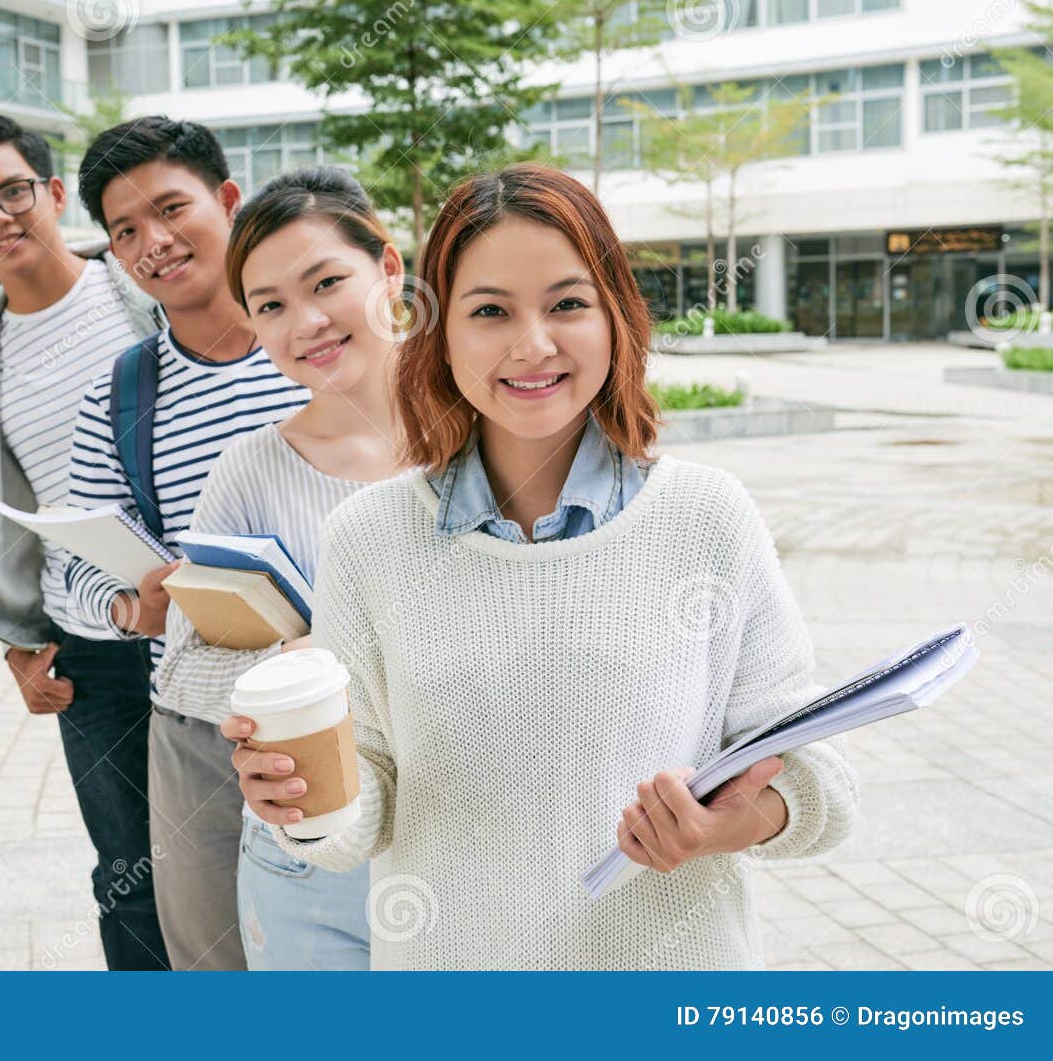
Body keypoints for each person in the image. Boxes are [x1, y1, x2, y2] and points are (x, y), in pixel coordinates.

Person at [223, 163, 859, 969]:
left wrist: (732, 824)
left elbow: (818, 775)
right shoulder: (368, 539)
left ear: (616, 316)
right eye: (490, 311)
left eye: (567, 304)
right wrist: (304, 802)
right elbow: (366, 807)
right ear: (440, 332)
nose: (533, 345)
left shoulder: (709, 517)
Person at [64, 117, 310, 970]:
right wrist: (130, 608)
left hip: (354, 702)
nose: (154, 244)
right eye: (126, 231)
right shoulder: (120, 396)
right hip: (201, 730)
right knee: (212, 965)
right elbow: (74, 568)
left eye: (172, 210)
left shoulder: (320, 350)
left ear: (228, 200)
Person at [152, 167, 404, 970]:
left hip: (469, 842)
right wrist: (293, 664)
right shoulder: (249, 470)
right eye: (270, 306)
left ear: (388, 269)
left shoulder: (491, 437)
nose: (307, 323)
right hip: (307, 855)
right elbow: (179, 671)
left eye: (326, 282)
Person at [0, 114, 168, 970]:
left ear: (56, 194)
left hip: (202, 617)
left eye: (12, 193)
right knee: (128, 876)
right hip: (91, 649)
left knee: (241, 852)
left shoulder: (140, 292)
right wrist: (19, 641)